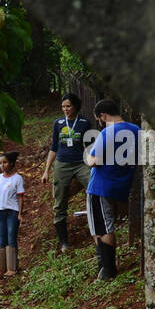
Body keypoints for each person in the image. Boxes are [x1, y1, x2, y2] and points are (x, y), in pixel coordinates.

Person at [84, 99, 140, 281]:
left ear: (103, 116)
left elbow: (95, 160)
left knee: (102, 226)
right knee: (106, 223)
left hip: (101, 184)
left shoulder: (107, 132)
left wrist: (87, 156)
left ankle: (107, 269)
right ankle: (106, 268)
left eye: (99, 119)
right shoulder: (137, 130)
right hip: (122, 182)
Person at [41, 93, 93, 253]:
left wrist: (93, 165)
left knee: (94, 188)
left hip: (80, 163)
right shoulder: (58, 123)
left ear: (75, 106)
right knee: (59, 202)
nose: (66, 109)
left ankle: (96, 226)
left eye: (68, 106)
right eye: (63, 106)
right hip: (62, 164)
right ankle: (64, 242)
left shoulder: (84, 123)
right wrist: (46, 170)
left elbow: (90, 146)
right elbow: (54, 147)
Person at [0, 151, 26, 278]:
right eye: (0, 163)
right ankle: (1, 269)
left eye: (5, 162)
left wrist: (20, 213)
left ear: (11, 163)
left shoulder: (17, 178)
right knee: (1, 239)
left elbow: (20, 197)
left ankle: (12, 268)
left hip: (12, 211)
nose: (2, 165)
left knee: (11, 237)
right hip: (0, 212)